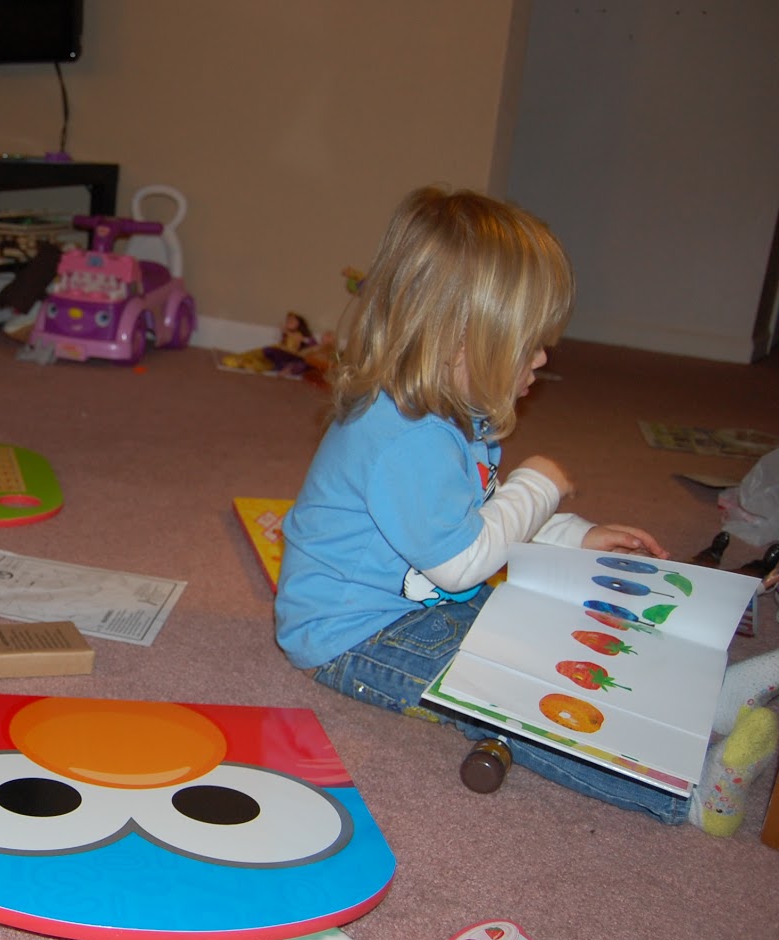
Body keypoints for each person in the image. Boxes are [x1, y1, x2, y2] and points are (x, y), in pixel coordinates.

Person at [273, 184, 779, 833]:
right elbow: (462, 561)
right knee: (515, 701)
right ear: (458, 341)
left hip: (427, 599)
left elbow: (479, 512)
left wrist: (574, 534)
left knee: (565, 622)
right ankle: (687, 799)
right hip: (352, 636)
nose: (543, 357)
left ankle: (704, 707)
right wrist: (539, 484)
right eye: (528, 343)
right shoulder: (403, 437)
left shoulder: (453, 411)